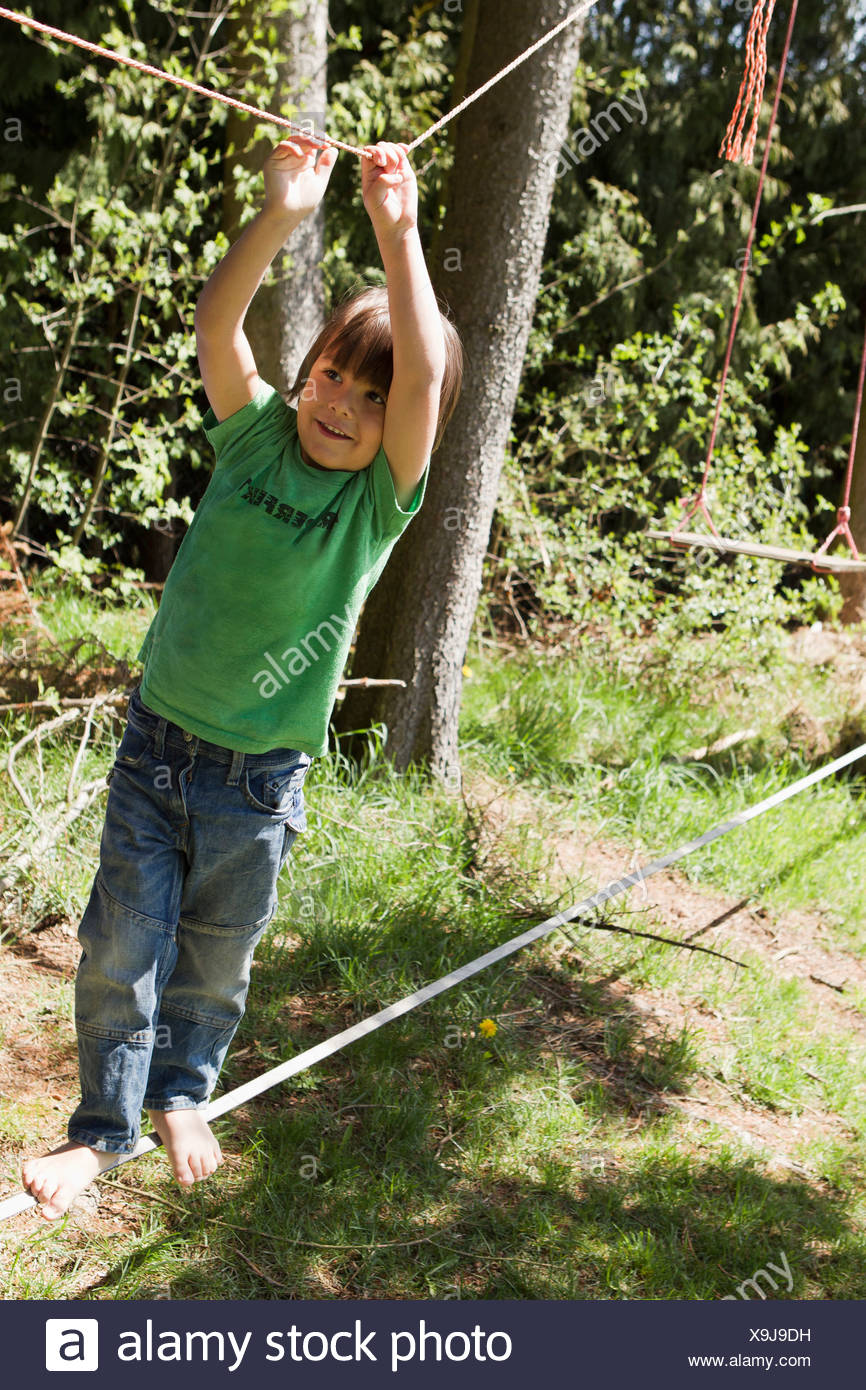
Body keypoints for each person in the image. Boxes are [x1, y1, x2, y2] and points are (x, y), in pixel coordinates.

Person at [20, 136, 464, 1219]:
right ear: (306, 370)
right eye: (331, 375)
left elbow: (427, 367)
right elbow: (217, 322)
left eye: (374, 396)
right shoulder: (254, 439)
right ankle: (99, 1129)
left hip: (257, 781)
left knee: (214, 961)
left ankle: (182, 1094)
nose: (343, 405)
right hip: (155, 742)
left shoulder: (373, 507)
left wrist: (398, 233)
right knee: (117, 948)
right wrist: (281, 213)